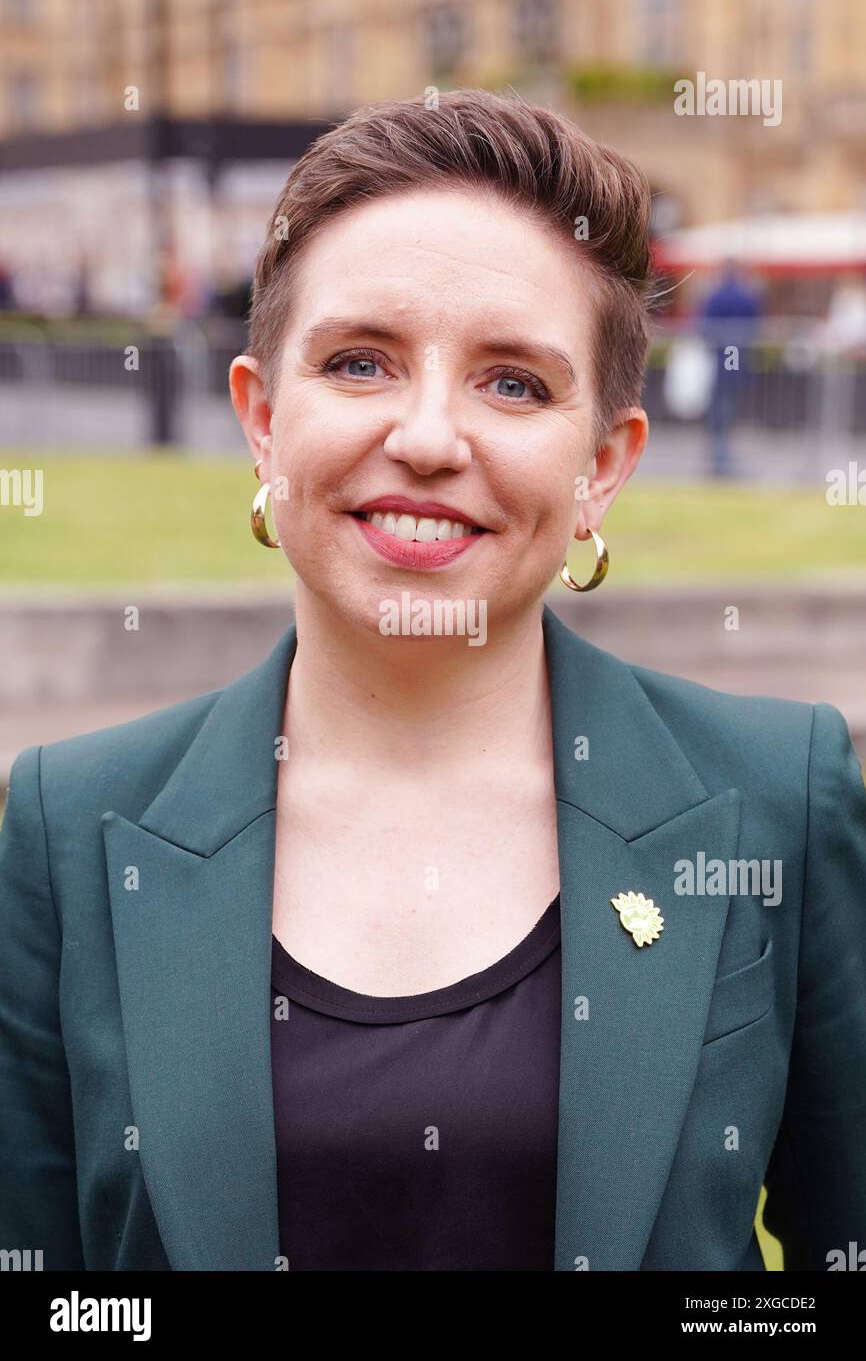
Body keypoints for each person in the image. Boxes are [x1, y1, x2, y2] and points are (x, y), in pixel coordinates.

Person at [1, 89, 864, 1273]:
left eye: (512, 383)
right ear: (260, 419)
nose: (426, 436)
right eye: (360, 362)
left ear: (601, 467)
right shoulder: (69, 824)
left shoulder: (776, 792)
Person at [699, 259, 762, 478]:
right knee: (727, 408)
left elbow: (704, 325)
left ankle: (720, 458)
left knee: (719, 410)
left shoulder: (715, 295)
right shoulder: (746, 295)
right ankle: (722, 457)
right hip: (736, 359)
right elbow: (755, 322)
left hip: (721, 360)